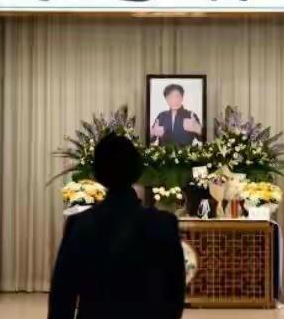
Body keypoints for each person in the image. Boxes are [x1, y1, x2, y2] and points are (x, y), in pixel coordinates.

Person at [47, 134, 186, 319]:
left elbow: (62, 299)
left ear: (97, 174)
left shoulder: (79, 225)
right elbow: (175, 296)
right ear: (138, 171)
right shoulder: (164, 224)